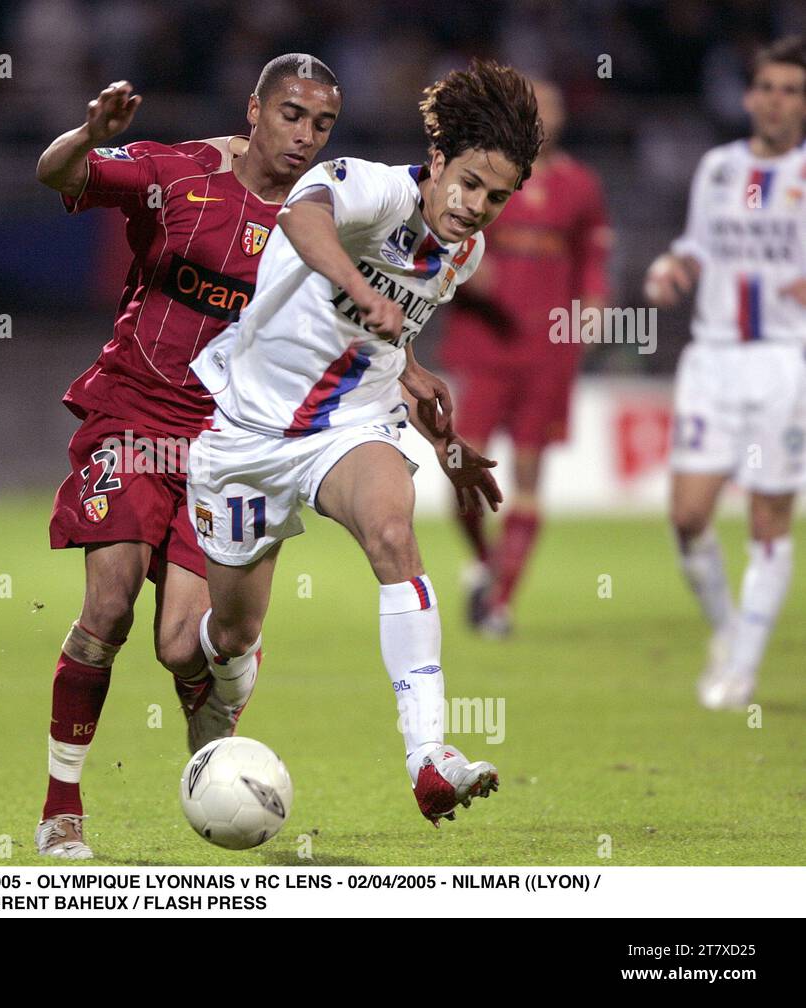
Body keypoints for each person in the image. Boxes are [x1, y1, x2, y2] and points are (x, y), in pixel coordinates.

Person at [188, 60, 542, 827]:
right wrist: (368, 286)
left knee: (392, 530)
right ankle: (226, 679)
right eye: (470, 184)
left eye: (497, 197)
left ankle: (428, 758)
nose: (476, 208)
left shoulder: (463, 252)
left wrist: (421, 394)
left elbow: (387, 340)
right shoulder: (370, 186)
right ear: (439, 158)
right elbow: (300, 217)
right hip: (245, 431)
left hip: (347, 427)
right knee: (233, 632)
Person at [33, 56, 343, 857]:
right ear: (254, 110)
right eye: (291, 115)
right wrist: (88, 136)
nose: (304, 136)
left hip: (232, 445)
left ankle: (227, 671)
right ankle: (61, 808)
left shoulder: (329, 220)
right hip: (133, 418)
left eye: (320, 124)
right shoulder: (180, 172)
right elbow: (54, 173)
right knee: (108, 606)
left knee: (185, 648)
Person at [644, 36, 806, 710]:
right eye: (767, 87)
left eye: (792, 90)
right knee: (687, 516)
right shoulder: (717, 168)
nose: (777, 101)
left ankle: (740, 670)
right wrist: (670, 267)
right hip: (711, 361)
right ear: (747, 96)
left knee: (769, 519)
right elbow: (696, 245)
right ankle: (727, 632)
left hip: (780, 364)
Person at [439, 79, 612, 637]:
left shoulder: (580, 186)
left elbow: (592, 260)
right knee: (463, 471)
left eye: (553, 105)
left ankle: (500, 603)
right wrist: (464, 266)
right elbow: (442, 236)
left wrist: (594, 307)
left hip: (548, 351)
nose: (545, 116)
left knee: (531, 473)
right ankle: (489, 567)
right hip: (484, 345)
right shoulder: (480, 175)